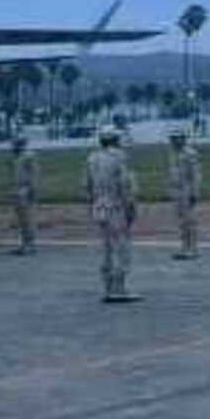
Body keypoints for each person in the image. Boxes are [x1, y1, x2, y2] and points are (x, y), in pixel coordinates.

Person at [83, 125, 142, 302]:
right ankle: (119, 288)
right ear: (115, 140)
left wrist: (94, 202)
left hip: (99, 205)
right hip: (116, 205)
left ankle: (108, 288)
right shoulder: (118, 157)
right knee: (121, 247)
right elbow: (125, 184)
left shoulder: (92, 158)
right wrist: (131, 206)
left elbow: (86, 185)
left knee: (107, 248)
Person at [167, 128, 202, 260]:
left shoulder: (190, 153)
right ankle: (184, 247)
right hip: (176, 190)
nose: (173, 141)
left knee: (189, 221)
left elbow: (196, 175)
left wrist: (194, 192)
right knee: (181, 221)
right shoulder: (173, 154)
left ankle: (193, 249)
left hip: (186, 189)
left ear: (183, 139)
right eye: (172, 138)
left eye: (176, 138)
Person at [7, 134, 40, 255]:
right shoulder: (17, 157)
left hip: (25, 190)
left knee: (27, 219)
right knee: (21, 220)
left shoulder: (28, 156)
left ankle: (30, 244)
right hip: (17, 190)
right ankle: (24, 243)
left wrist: (32, 189)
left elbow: (33, 174)